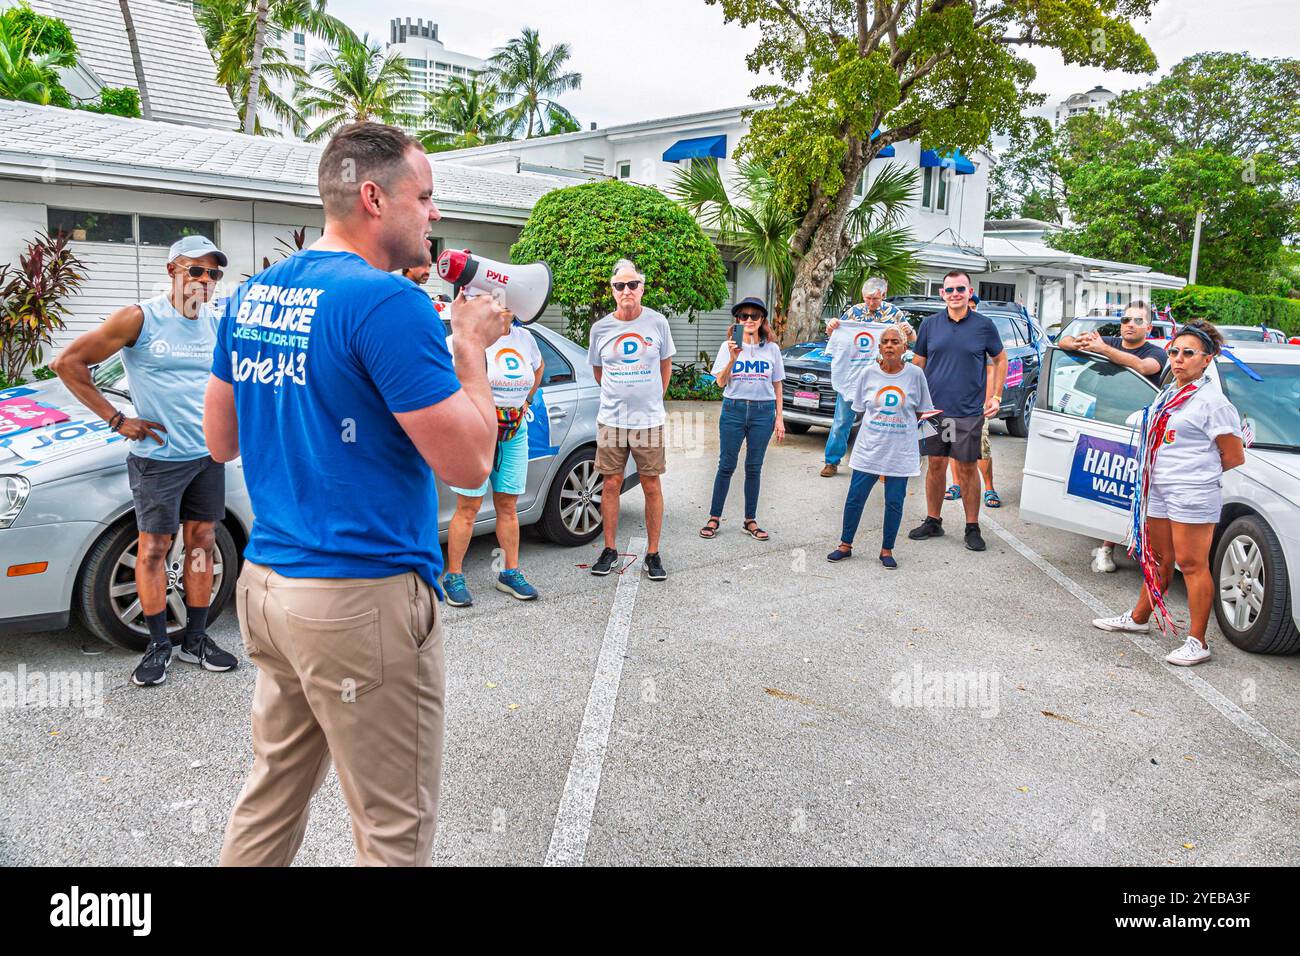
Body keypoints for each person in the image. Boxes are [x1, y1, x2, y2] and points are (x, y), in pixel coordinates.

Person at [206, 122, 506, 866]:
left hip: (271, 589)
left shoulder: (253, 296)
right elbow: (470, 462)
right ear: (374, 197)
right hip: (356, 599)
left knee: (272, 794)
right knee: (392, 830)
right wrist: (471, 347)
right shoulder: (386, 304)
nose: (434, 214)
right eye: (426, 196)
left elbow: (221, 441)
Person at [52, 235, 238, 687]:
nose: (206, 280)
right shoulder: (141, 317)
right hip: (158, 460)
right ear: (173, 269)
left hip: (206, 457)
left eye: (213, 273)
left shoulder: (215, 323)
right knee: (154, 549)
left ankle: (194, 638)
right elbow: (68, 362)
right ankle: (158, 644)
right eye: (196, 270)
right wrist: (118, 419)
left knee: (202, 543)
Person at [1092, 320, 1244, 666]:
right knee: (1158, 558)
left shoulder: (1212, 402)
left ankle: (1198, 640)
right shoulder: (1171, 392)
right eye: (1174, 351)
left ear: (1207, 359)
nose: (1178, 359)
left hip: (1191, 493)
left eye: (1189, 353)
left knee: (1191, 564)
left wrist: (1194, 476)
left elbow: (1234, 455)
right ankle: (1139, 618)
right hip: (1158, 488)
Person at [442, 313, 546, 605]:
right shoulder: (463, 340)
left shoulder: (524, 339)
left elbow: (538, 369)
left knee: (508, 505)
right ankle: (453, 577)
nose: (503, 309)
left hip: (515, 429)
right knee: (469, 506)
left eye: (509, 303)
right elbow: (440, 377)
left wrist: (527, 401)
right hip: (476, 430)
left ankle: (509, 573)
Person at [1059, 300, 1170, 572]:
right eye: (1125, 320)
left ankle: (1148, 550)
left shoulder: (1155, 352)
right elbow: (1064, 341)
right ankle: (1106, 547)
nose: (1129, 325)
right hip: (1102, 420)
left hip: (1137, 427)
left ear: (1149, 327)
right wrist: (1075, 344)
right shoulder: (1108, 341)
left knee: (1135, 489)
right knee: (1106, 485)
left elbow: (1144, 368)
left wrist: (1103, 349)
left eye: (1137, 321)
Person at [586, 259, 675, 581]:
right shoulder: (601, 329)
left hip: (648, 420)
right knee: (610, 483)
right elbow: (599, 371)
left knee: (651, 483)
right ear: (612, 291)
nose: (627, 290)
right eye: (620, 286)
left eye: (632, 285)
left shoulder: (657, 322)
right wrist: (621, 394)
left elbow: (665, 365)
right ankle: (609, 549)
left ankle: (653, 553)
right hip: (611, 419)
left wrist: (652, 397)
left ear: (642, 288)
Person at [907, 270, 1007, 552]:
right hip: (933, 411)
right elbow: (918, 363)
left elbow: (1000, 359)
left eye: (960, 289)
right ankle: (933, 521)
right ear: (942, 294)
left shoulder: (984, 325)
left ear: (969, 291)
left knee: (966, 468)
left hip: (967, 411)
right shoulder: (929, 325)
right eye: (949, 290)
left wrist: (996, 395)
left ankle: (972, 527)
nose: (955, 294)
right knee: (935, 464)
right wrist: (911, 400)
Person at [826, 325, 935, 569]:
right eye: (884, 341)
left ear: (904, 348)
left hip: (900, 452)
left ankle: (887, 549)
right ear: (878, 347)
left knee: (894, 501)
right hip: (869, 449)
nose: (889, 345)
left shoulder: (915, 375)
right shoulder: (868, 374)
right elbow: (859, 409)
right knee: (855, 498)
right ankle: (845, 544)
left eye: (895, 342)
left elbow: (921, 412)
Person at [700, 297, 786, 540]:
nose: (748, 320)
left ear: (762, 321)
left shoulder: (772, 349)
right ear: (737, 320)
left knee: (754, 467)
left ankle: (750, 520)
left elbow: (777, 384)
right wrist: (732, 358)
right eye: (743, 316)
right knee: (726, 465)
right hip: (734, 410)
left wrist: (779, 418)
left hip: (763, 411)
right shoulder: (727, 347)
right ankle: (714, 517)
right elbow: (720, 382)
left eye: (754, 316)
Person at [820, 277, 911, 477]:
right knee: (842, 420)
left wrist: (909, 331)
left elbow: (911, 340)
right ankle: (831, 462)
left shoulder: (895, 314)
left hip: (883, 377)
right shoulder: (853, 312)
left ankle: (882, 467)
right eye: (868, 298)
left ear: (883, 296)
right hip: (853, 376)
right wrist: (832, 326)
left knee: (882, 422)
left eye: (875, 299)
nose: (871, 303)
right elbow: (834, 336)